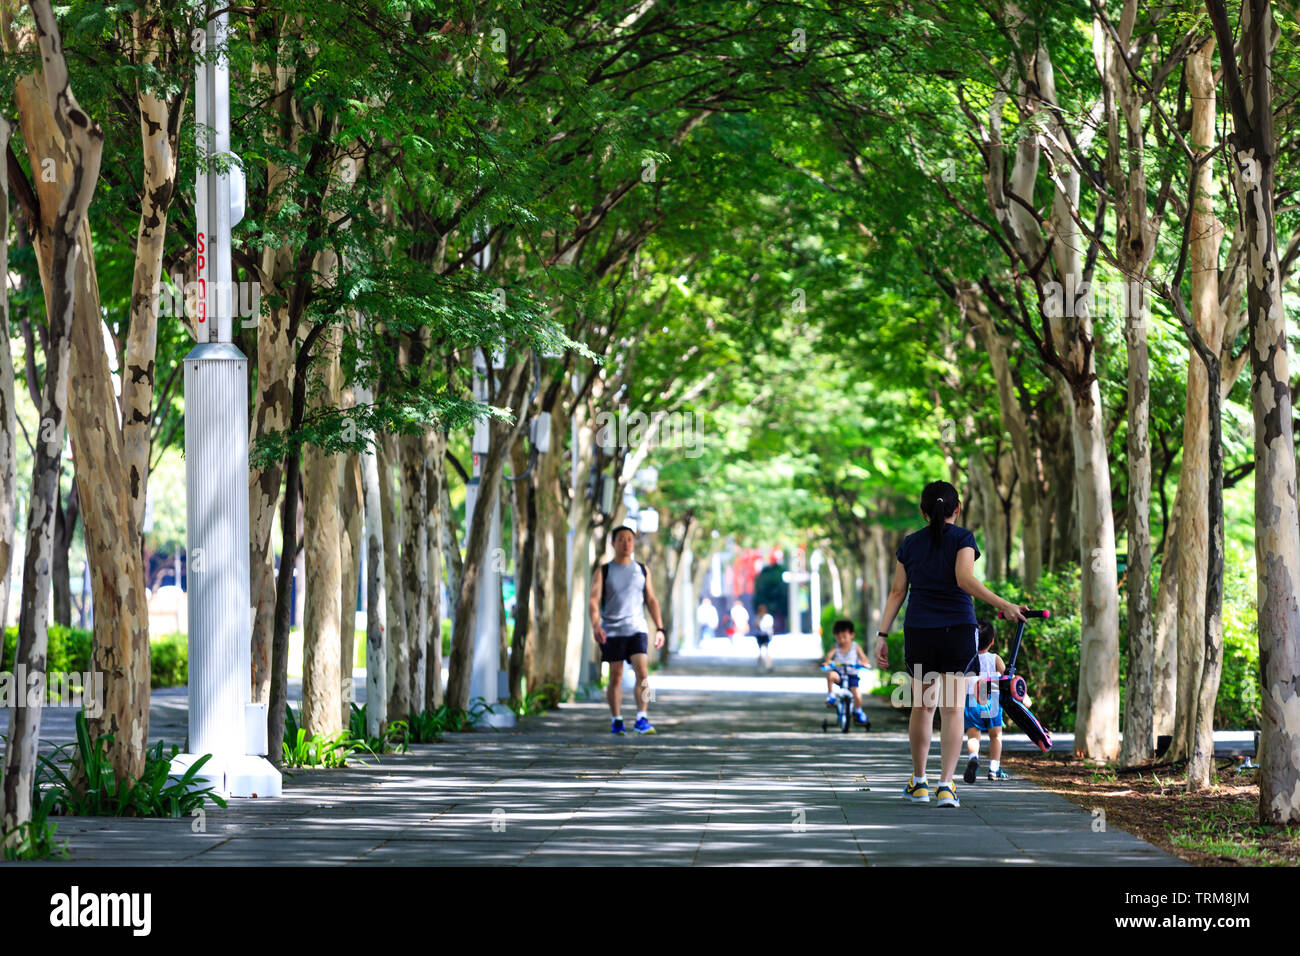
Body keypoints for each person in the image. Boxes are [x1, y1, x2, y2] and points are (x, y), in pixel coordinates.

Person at [874, 480, 1026, 808]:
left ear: (923, 512)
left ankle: (919, 783)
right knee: (954, 709)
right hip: (958, 631)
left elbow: (897, 592)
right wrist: (1005, 605)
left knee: (924, 707)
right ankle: (946, 785)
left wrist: (882, 635)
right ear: (957, 509)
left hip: (921, 630)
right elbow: (965, 579)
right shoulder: (963, 539)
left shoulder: (910, 544)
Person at [590, 526, 666, 735]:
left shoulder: (642, 569)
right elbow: (594, 600)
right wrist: (596, 625)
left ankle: (642, 717)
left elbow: (651, 599)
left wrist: (660, 628)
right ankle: (616, 719)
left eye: (630, 539)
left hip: (637, 629)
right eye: (622, 539)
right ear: (613, 543)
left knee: (643, 673)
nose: (626, 543)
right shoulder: (604, 570)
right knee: (616, 676)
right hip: (612, 630)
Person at [963, 618, 1010, 783]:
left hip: (971, 699)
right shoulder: (995, 658)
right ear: (992, 641)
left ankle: (973, 757)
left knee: (973, 735)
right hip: (992, 698)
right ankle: (994, 769)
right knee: (995, 736)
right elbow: (1007, 679)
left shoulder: (967, 658)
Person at [821, 619, 869, 725]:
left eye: (844, 637)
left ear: (852, 635)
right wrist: (828, 661)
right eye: (838, 638)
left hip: (852, 675)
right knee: (830, 675)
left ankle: (858, 710)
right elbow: (829, 656)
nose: (841, 640)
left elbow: (863, 658)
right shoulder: (836, 647)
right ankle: (831, 695)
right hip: (840, 674)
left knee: (856, 693)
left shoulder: (855, 646)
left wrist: (864, 663)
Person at [755, 603, 775, 670]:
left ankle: (767, 665)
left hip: (764, 635)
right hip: (762, 635)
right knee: (762, 651)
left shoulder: (767, 617)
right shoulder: (759, 617)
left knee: (764, 651)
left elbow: (767, 627)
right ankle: (763, 666)